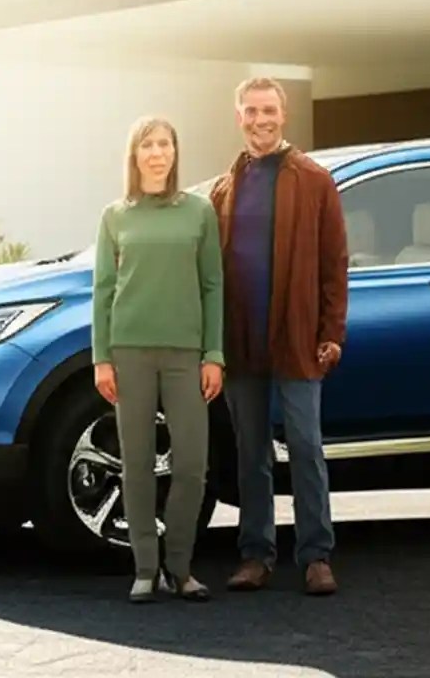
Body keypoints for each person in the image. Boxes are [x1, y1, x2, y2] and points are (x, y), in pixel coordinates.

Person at [209, 76, 348, 596]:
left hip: (297, 338)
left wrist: (331, 331)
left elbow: (335, 264)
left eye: (269, 110)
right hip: (242, 341)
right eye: (251, 111)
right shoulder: (226, 188)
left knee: (306, 449)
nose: (260, 119)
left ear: (283, 116)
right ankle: (255, 554)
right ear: (239, 117)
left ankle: (316, 556)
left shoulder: (314, 181)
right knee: (251, 453)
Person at [91, 115, 225, 603]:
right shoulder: (115, 216)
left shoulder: (199, 212)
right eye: (147, 144)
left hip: (186, 354)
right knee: (138, 464)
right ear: (135, 155)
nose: (156, 152)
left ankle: (181, 568)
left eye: (164, 143)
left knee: (192, 464)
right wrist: (101, 358)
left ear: (174, 153)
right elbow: (102, 290)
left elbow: (213, 286)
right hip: (129, 353)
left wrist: (213, 353)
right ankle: (145, 568)